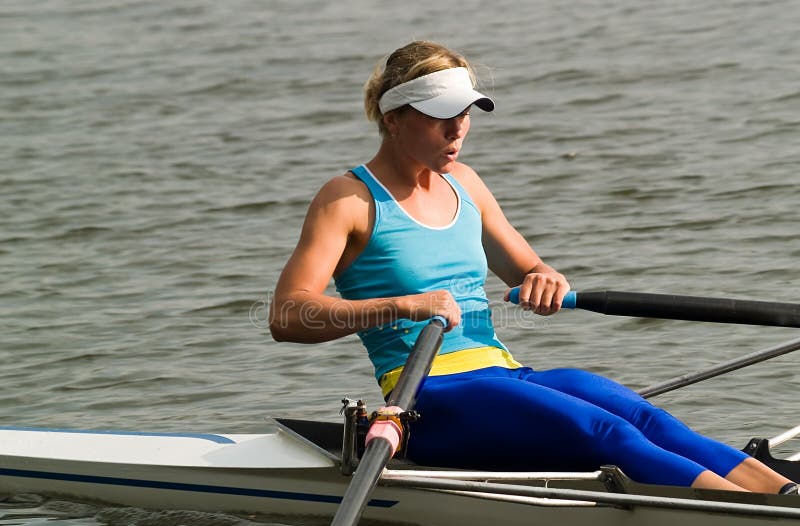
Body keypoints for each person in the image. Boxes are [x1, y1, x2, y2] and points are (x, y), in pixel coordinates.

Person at [269, 40, 797, 494]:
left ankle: (785, 496)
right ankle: (752, 518)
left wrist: (545, 280)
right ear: (393, 119)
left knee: (643, 416)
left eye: (466, 113)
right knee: (602, 431)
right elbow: (288, 316)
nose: (458, 128)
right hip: (426, 399)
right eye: (440, 117)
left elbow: (528, 271)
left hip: (503, 373)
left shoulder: (466, 184)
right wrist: (401, 307)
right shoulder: (349, 200)